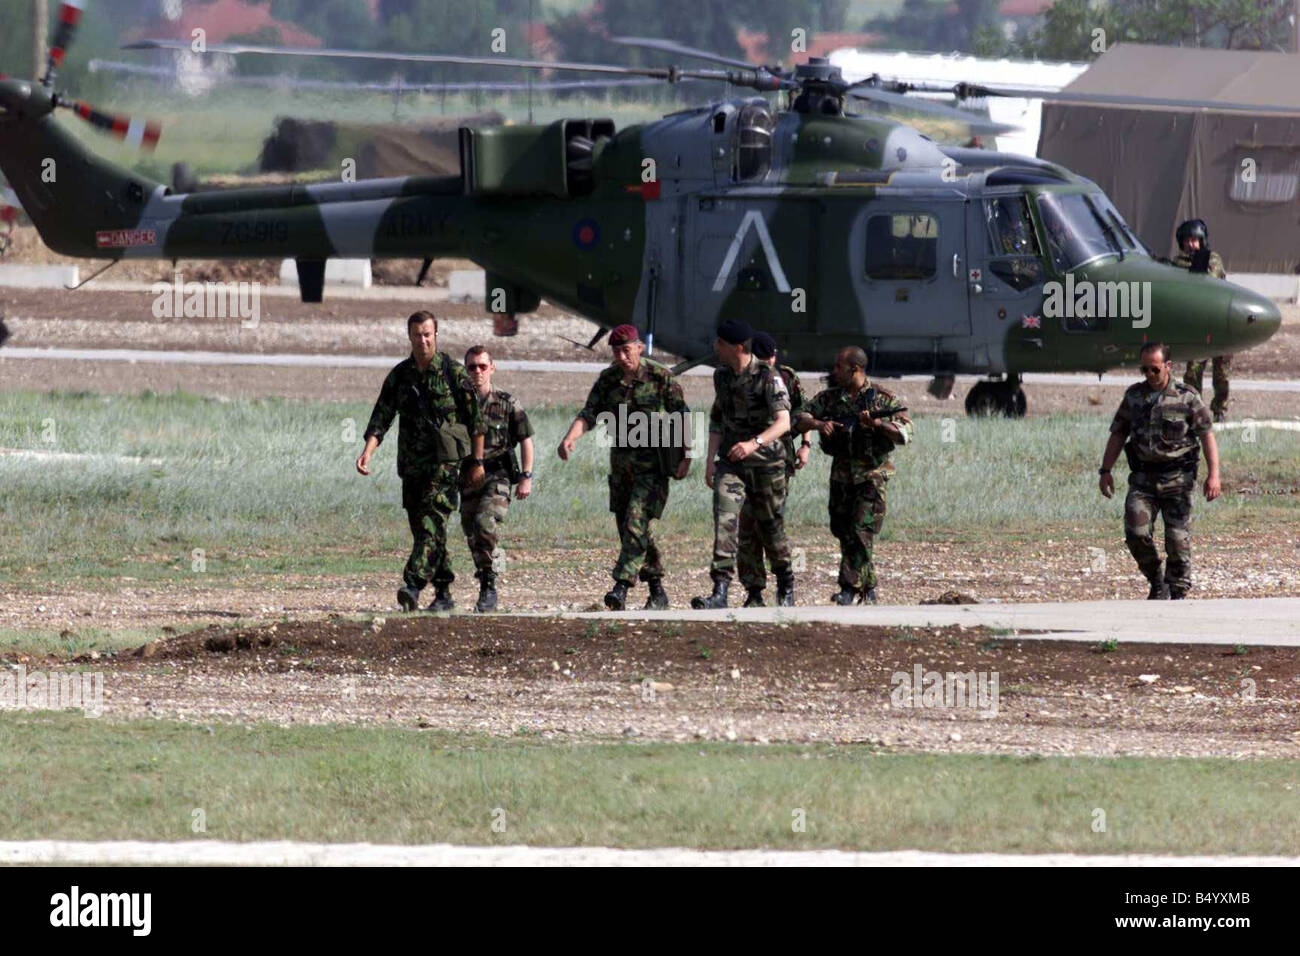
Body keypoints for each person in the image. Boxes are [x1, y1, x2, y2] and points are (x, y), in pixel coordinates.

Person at [356, 310, 486, 612]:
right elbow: (382, 416)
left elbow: (476, 421)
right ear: (410, 337)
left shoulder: (453, 373)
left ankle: (412, 585)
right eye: (417, 334)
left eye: (428, 334)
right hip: (412, 467)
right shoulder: (401, 375)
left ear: (436, 335)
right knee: (425, 529)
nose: (423, 339)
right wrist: (368, 451)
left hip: (444, 468)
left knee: (431, 525)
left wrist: (476, 462)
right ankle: (443, 594)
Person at [557, 324, 691, 610]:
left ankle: (620, 587)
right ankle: (657, 589)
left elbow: (682, 415)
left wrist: (686, 457)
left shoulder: (660, 376)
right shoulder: (608, 380)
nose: (621, 356)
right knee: (631, 528)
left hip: (652, 466)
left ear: (639, 347)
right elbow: (589, 413)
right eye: (616, 351)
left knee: (634, 521)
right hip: (620, 467)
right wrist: (570, 437)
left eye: (626, 350)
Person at [1099, 341, 1221, 599]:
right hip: (1143, 480)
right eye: (1144, 370)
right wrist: (1105, 470)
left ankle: (1177, 591)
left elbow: (1207, 436)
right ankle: (1157, 578)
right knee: (1136, 533)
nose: (1149, 376)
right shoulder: (1134, 397)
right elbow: (1118, 433)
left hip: (1178, 480)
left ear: (1168, 366)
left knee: (1177, 540)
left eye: (1154, 369)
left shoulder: (1187, 397)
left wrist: (1214, 475)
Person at [793, 346, 911, 605]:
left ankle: (848, 588)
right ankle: (868, 587)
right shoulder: (831, 399)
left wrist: (878, 425)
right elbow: (798, 417)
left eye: (839, 367)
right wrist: (818, 425)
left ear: (854, 369)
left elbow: (905, 433)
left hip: (872, 475)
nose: (834, 371)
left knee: (861, 529)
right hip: (841, 475)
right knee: (844, 530)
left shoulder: (883, 399)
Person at [692, 319, 794, 609]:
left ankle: (785, 582)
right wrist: (710, 460)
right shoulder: (721, 375)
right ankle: (720, 589)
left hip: (766, 464)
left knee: (769, 526)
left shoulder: (768, 376)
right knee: (725, 519)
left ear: (737, 347)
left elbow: (784, 422)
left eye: (720, 343)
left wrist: (753, 444)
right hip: (731, 463)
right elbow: (716, 419)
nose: (715, 347)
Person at [736, 331, 811, 607]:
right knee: (746, 526)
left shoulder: (785, 377)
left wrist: (805, 445)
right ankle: (754, 590)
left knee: (769, 523)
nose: (769, 362)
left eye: (771, 358)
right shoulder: (739, 376)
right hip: (744, 464)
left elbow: (803, 414)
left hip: (777, 463)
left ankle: (785, 584)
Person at [459, 345, 534, 613]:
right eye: (471, 367)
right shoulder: (460, 403)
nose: (477, 371)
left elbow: (526, 440)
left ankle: (489, 584)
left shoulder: (507, 403)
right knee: (472, 533)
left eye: (482, 366)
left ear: (492, 367)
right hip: (468, 476)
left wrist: (526, 476)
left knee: (484, 521)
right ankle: (487, 575)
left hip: (498, 476)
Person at [1174, 218, 1232, 422]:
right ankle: (1194, 409)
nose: (1191, 244)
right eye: (1187, 241)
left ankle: (1220, 410)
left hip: (1220, 325)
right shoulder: (1178, 263)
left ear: (1202, 241)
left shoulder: (1212, 259)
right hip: (1199, 328)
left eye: (1195, 240)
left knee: (1221, 375)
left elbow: (1210, 278)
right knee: (1193, 373)